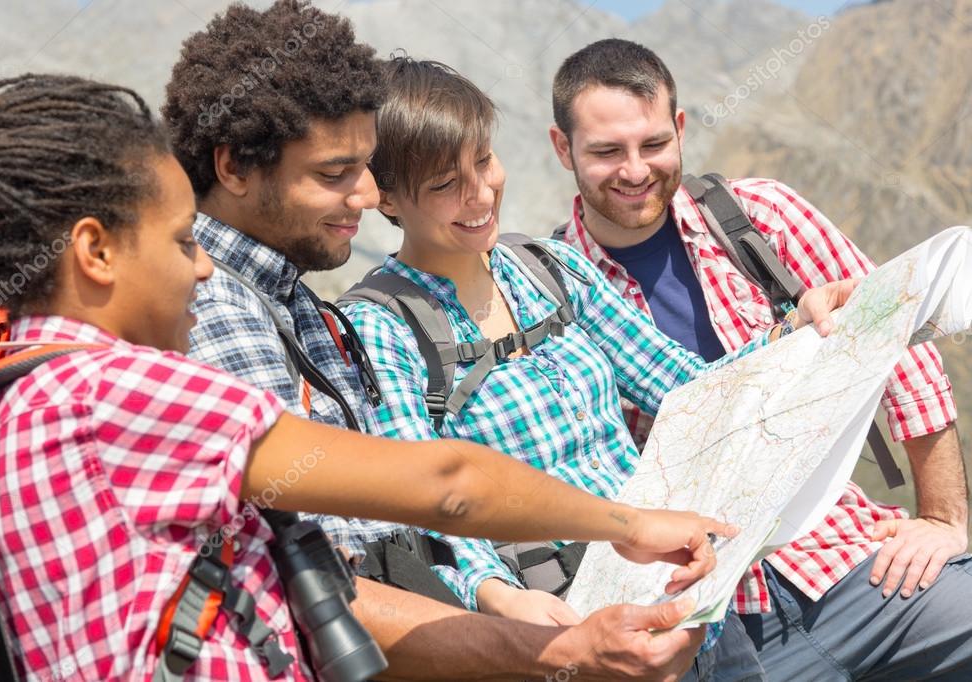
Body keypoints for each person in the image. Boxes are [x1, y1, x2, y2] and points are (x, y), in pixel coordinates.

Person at [0, 70, 737, 681]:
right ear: (94, 252)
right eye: (183, 240)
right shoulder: (109, 393)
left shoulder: (22, 395)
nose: (200, 269)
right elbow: (445, 483)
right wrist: (629, 529)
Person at [162, 2, 727, 679]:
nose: (366, 194)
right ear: (233, 168)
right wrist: (546, 633)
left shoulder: (295, 300)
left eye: (365, 168)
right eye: (334, 173)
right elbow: (348, 557)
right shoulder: (225, 313)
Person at [337, 56, 854, 681]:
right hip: (564, 631)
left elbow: (686, 387)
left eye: (484, 161)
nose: (479, 194)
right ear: (385, 196)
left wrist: (791, 329)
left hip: (681, 600)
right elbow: (420, 501)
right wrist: (498, 598)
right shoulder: (378, 327)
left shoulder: (549, 268)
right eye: (445, 183)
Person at [548, 38, 972, 680]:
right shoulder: (547, 289)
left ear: (681, 129)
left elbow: (897, 337)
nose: (635, 170)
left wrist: (943, 518)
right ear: (563, 149)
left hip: (855, 560)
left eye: (654, 144)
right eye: (606, 151)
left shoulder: (759, 217)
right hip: (708, 625)